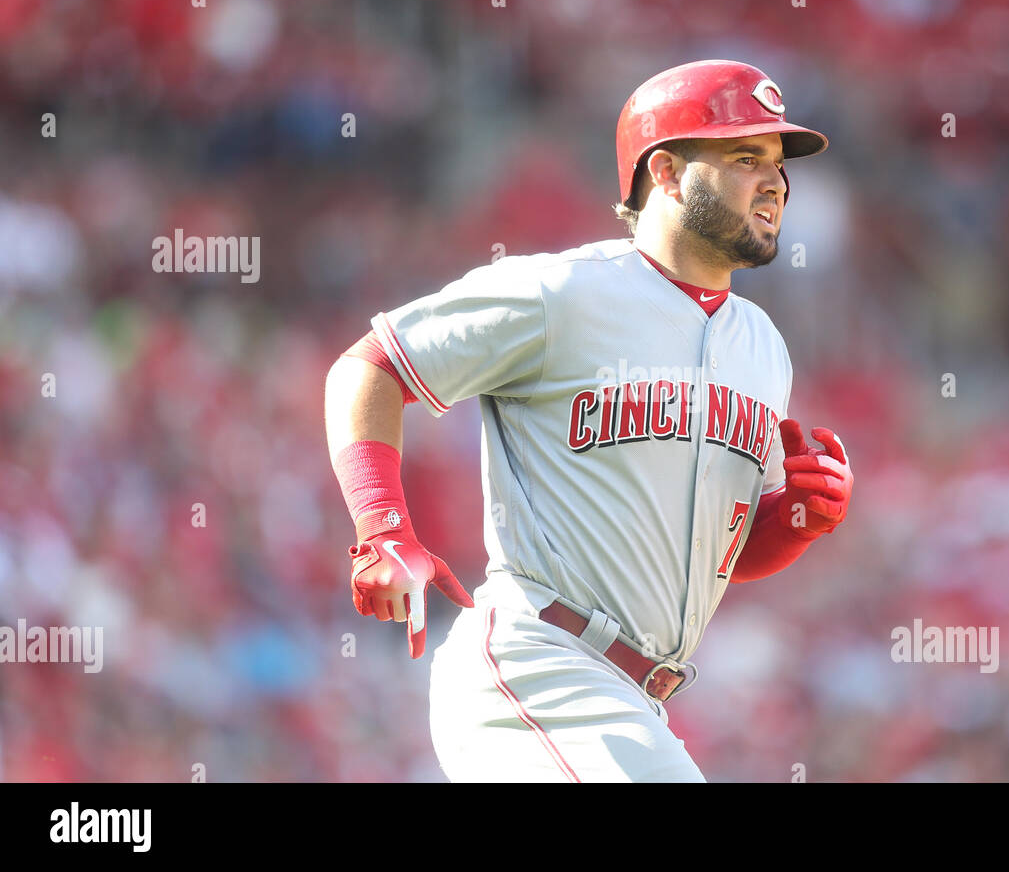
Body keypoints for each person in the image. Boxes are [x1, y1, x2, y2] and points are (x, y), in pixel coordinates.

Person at [323, 60, 854, 782]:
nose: (776, 182)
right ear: (665, 173)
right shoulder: (561, 294)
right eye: (743, 157)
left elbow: (719, 551)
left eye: (776, 163)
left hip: (635, 700)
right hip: (536, 665)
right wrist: (382, 527)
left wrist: (794, 519)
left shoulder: (763, 348)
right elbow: (372, 366)